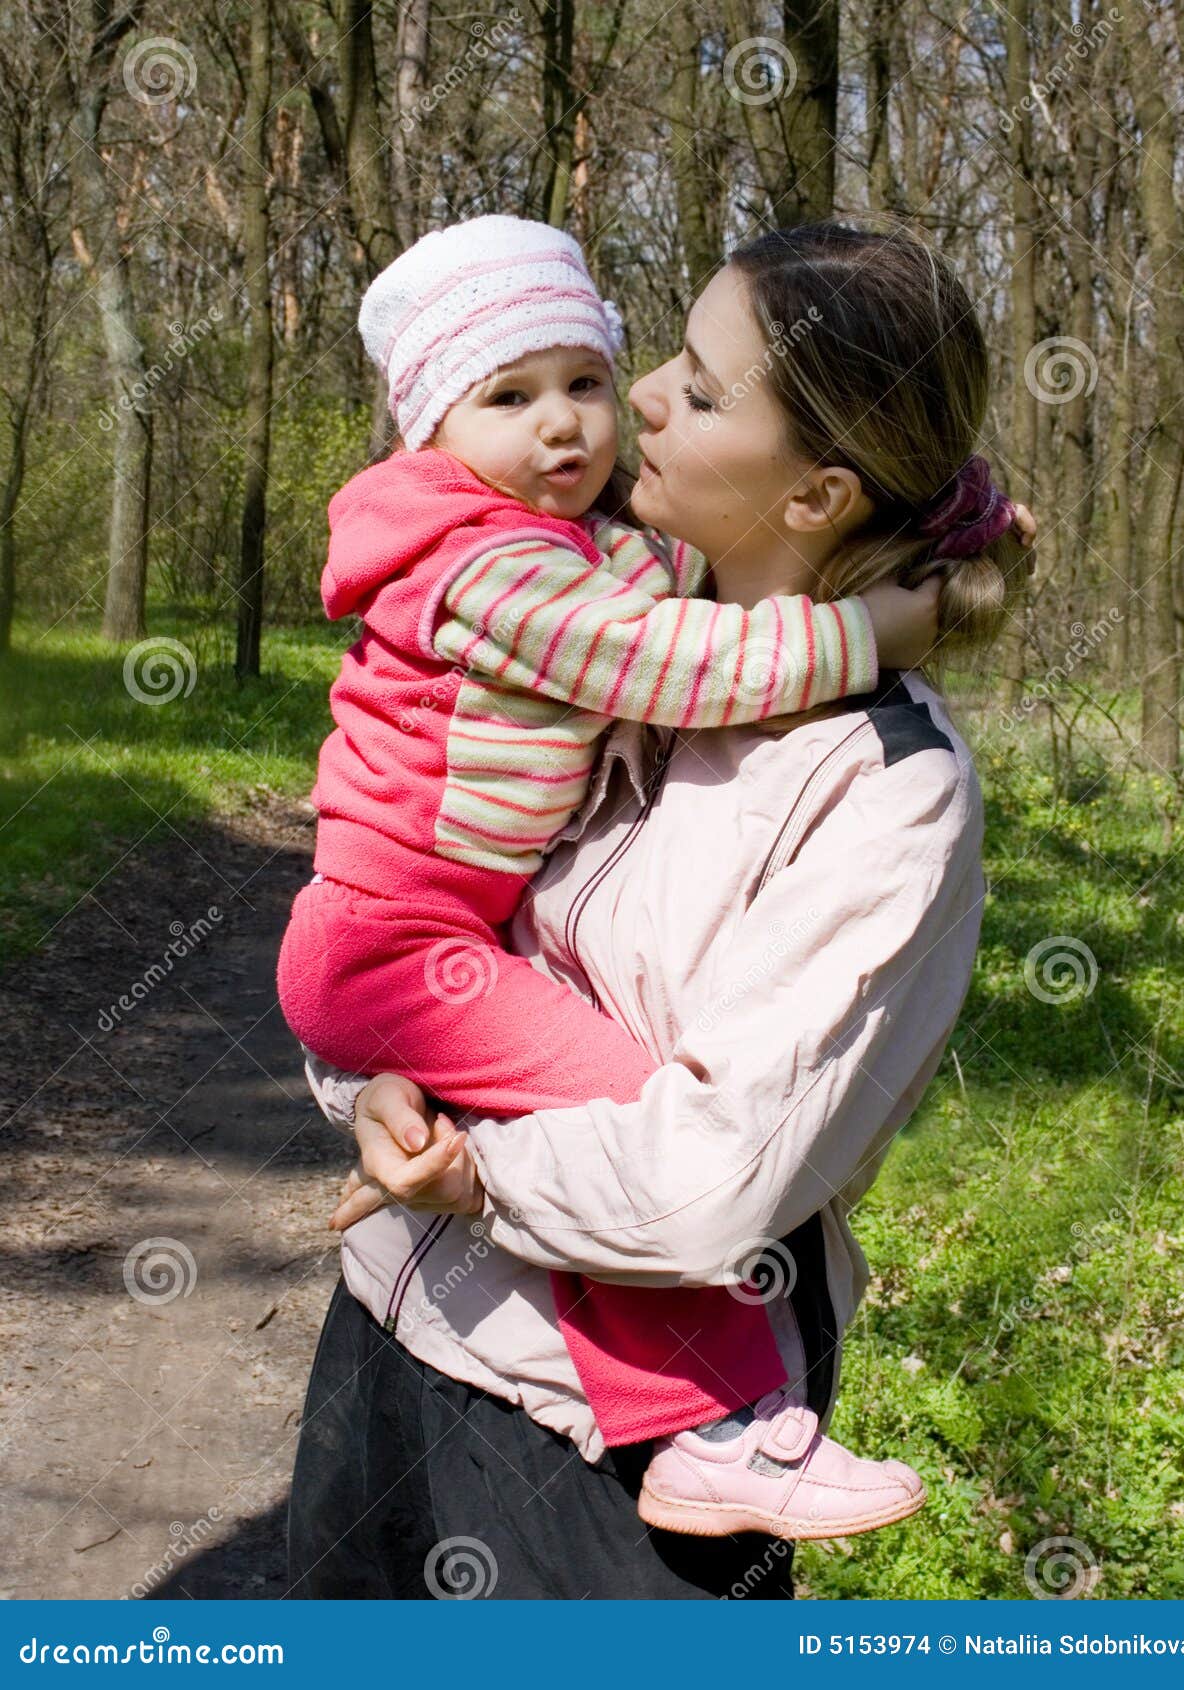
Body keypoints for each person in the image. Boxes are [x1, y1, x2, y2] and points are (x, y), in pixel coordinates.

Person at [286, 222, 1036, 1600]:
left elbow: (705, 1185)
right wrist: (376, 1086)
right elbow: (425, 927)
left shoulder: (880, 786)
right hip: (400, 1335)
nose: (632, 400)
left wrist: (472, 1175)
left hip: (602, 1475)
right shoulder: (594, 630)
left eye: (693, 385)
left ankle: (731, 1435)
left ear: (811, 493)